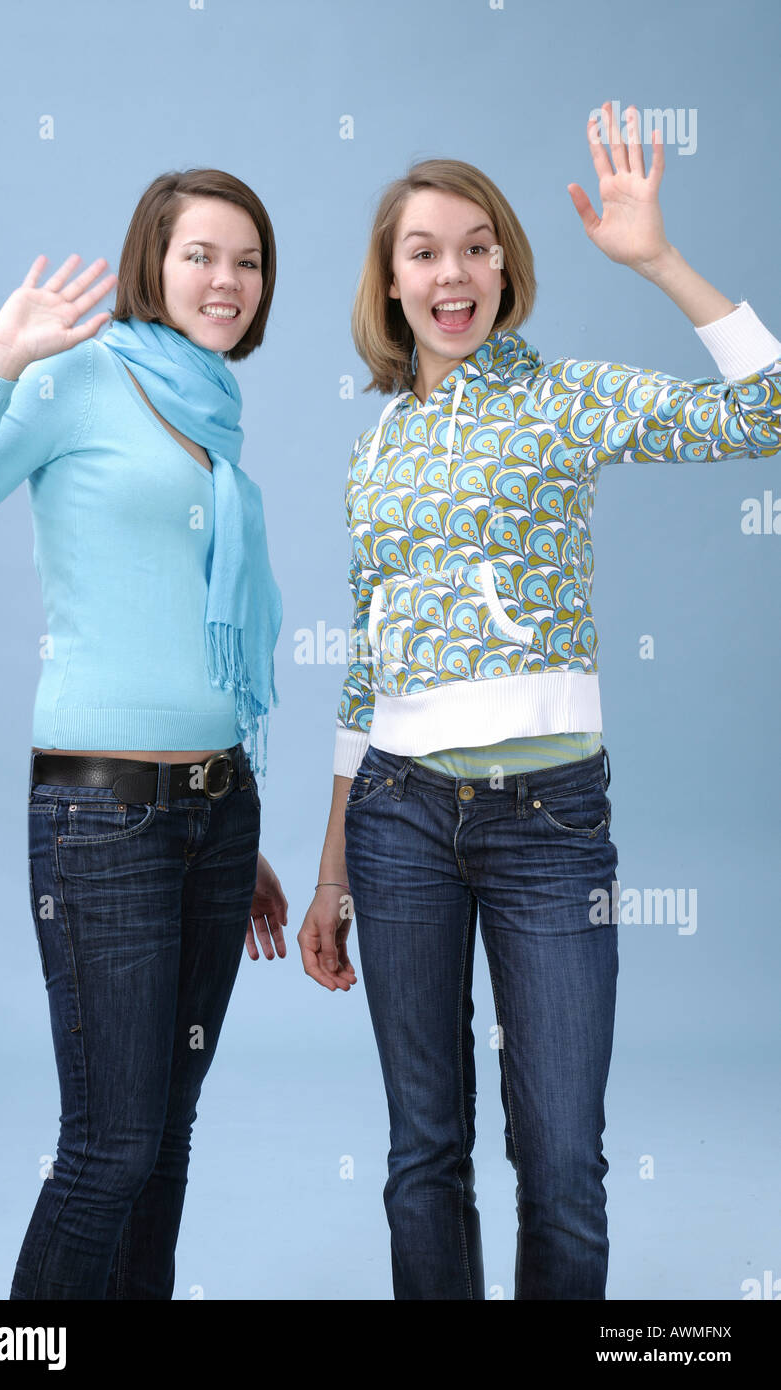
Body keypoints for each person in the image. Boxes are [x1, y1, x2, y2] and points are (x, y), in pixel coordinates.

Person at [298, 102, 781, 1299]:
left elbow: (764, 412)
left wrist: (658, 260)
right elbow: (366, 664)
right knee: (422, 1154)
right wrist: (330, 868)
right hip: (396, 820)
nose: (451, 273)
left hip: (547, 822)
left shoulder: (562, 398)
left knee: (561, 1160)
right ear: (390, 280)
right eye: (423, 252)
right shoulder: (375, 447)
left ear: (505, 265)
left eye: (475, 247)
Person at [0, 168, 288, 1299]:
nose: (225, 280)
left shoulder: (211, 404)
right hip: (104, 815)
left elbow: (187, 627)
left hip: (215, 814)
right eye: (200, 255)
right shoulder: (78, 374)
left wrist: (229, 819)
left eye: (247, 262)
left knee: (166, 1139)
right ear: (150, 262)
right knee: (110, 1147)